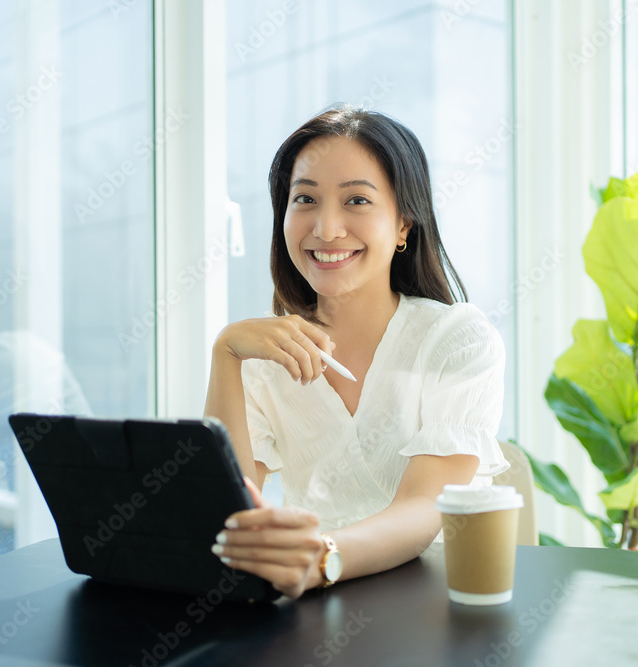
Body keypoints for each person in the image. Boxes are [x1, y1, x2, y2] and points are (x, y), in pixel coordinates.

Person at [203, 104, 508, 599]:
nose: (326, 229)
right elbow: (230, 517)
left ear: (404, 224)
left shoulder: (457, 339)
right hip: (314, 604)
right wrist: (225, 356)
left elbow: (425, 507)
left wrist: (322, 557)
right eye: (305, 199)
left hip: (437, 605)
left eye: (357, 202)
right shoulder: (264, 356)